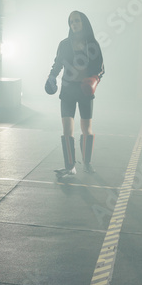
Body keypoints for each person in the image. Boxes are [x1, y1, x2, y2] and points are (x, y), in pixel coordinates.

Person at [45, 11, 104, 176]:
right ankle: (70, 166)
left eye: (77, 21)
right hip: (68, 90)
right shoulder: (64, 44)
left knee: (86, 129)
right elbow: (57, 64)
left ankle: (87, 162)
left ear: (83, 22)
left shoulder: (92, 44)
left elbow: (101, 68)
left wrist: (94, 80)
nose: (74, 24)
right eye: (71, 22)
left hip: (85, 90)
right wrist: (52, 77)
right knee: (67, 129)